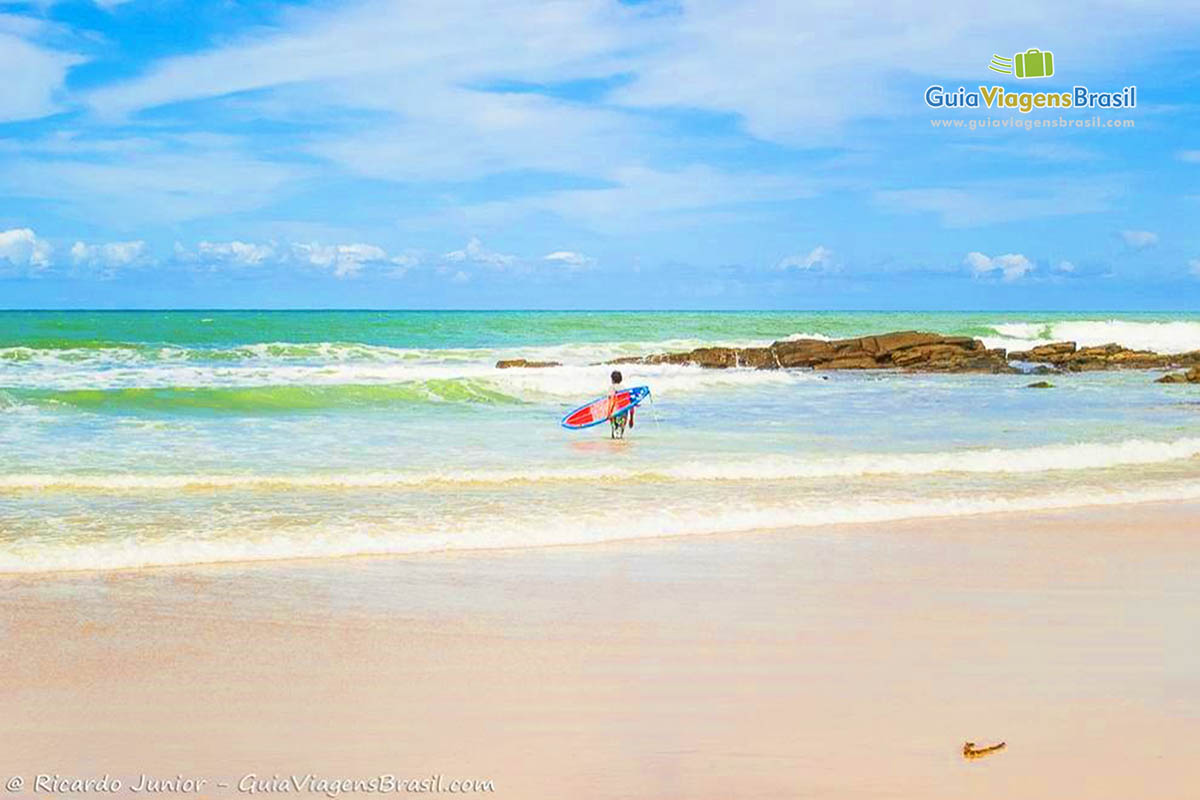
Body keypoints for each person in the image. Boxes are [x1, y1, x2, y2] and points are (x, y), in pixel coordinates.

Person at [607, 369, 633, 439]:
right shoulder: (625, 389)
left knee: (614, 433)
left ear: (612, 379)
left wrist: (609, 413)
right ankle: (621, 448)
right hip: (624, 412)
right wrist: (631, 419)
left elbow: (612, 400)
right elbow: (631, 404)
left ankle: (616, 448)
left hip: (615, 412)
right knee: (620, 432)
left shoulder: (612, 387)